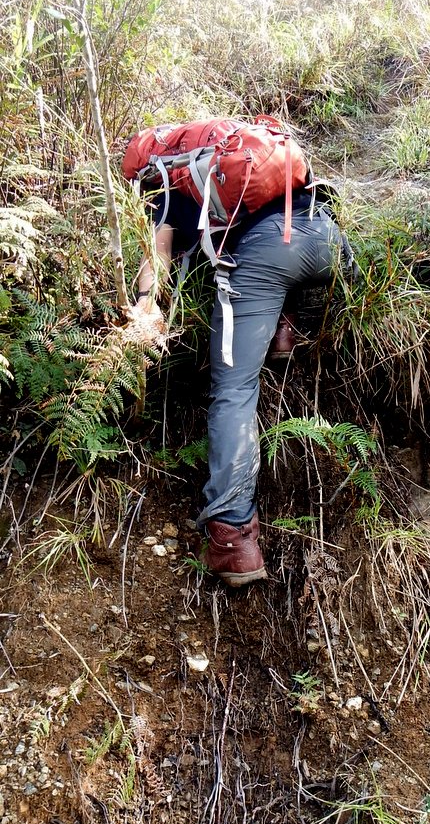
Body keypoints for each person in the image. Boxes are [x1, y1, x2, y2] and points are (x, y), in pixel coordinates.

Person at [133, 184, 347, 587]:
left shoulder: (164, 180)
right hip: (329, 240)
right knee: (274, 264)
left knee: (234, 389)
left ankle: (233, 541)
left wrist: (145, 304)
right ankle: (282, 329)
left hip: (267, 254)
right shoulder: (246, 163)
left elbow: (157, 256)